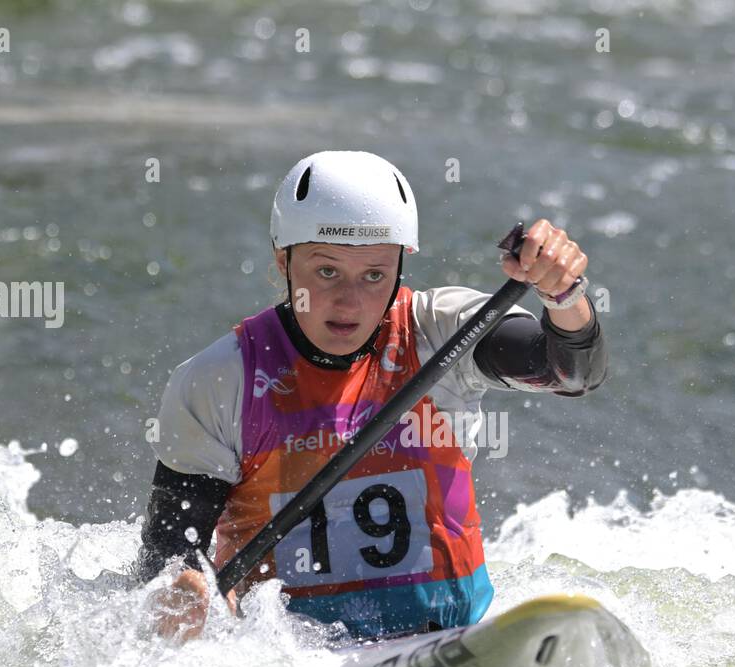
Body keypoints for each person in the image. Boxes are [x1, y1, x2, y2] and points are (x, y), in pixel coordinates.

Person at [133, 150, 608, 641]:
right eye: (327, 272)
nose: (350, 302)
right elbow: (164, 556)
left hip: (447, 642)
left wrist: (563, 295)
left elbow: (571, 374)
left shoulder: (442, 332)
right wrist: (182, 586)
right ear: (284, 261)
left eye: (374, 275)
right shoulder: (220, 379)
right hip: (286, 663)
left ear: (401, 265)